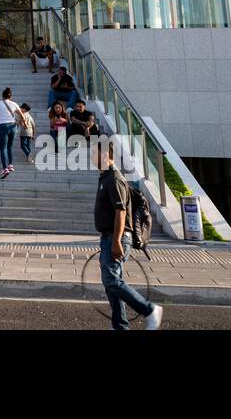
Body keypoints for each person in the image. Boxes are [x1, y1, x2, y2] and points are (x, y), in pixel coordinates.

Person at [95, 141, 163, 330]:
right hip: (108, 237)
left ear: (109, 157)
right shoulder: (105, 178)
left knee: (111, 280)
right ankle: (120, 326)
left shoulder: (114, 179)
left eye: (98, 154)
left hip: (117, 236)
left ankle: (149, 309)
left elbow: (121, 212)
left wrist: (116, 240)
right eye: (93, 153)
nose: (94, 157)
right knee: (112, 283)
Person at [0, 87, 20, 178]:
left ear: (2, 96)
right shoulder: (14, 104)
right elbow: (21, 115)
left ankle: (4, 169)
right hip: (13, 126)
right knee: (10, 146)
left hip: (3, 126)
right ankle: (10, 165)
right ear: (10, 97)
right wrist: (24, 124)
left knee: (3, 148)